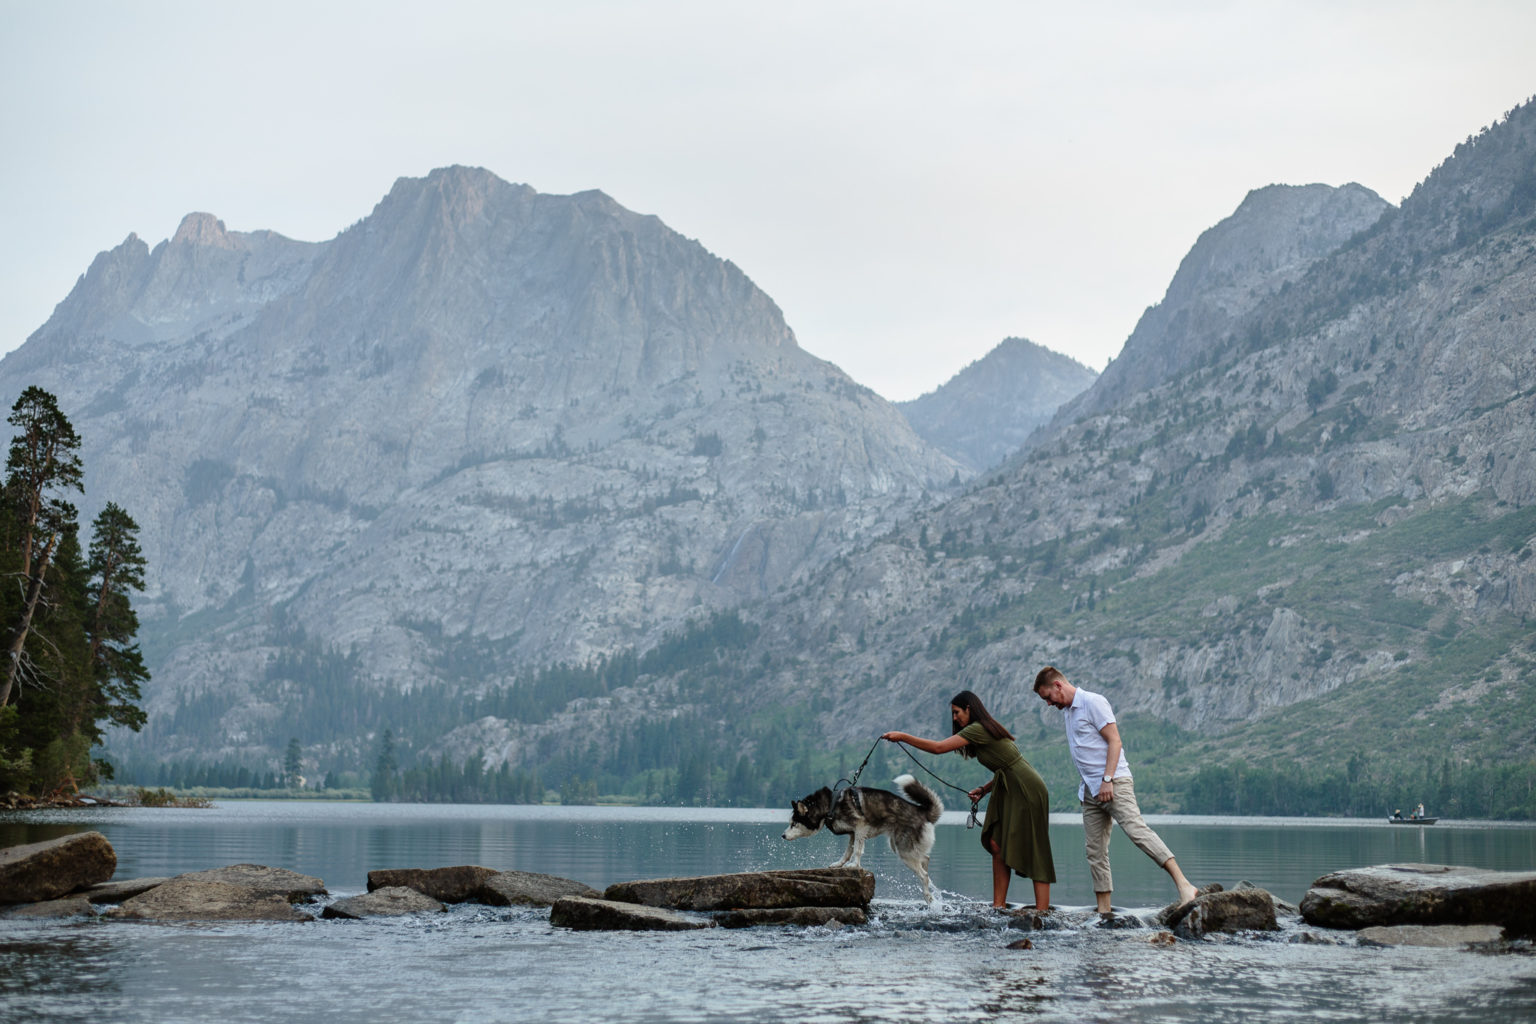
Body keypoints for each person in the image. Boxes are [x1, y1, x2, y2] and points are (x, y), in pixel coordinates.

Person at [1033, 666, 1199, 913]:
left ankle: (1185, 886)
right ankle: (1104, 910)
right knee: (1095, 851)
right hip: (1090, 791)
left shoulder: (1093, 702)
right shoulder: (1068, 712)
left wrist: (1107, 779)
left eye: (1048, 697)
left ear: (1058, 685)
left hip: (1114, 783)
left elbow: (1115, 740)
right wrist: (1091, 787)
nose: (1048, 703)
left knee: (1137, 831)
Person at [881, 690, 1054, 910]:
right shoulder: (982, 729)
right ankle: (998, 906)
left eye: (956, 713)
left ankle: (1043, 912)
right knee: (996, 844)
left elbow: (938, 748)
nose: (954, 718)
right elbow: (1006, 766)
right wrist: (984, 789)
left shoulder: (977, 728)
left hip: (1025, 788)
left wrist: (903, 736)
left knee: (1035, 848)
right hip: (1008, 785)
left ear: (969, 710)